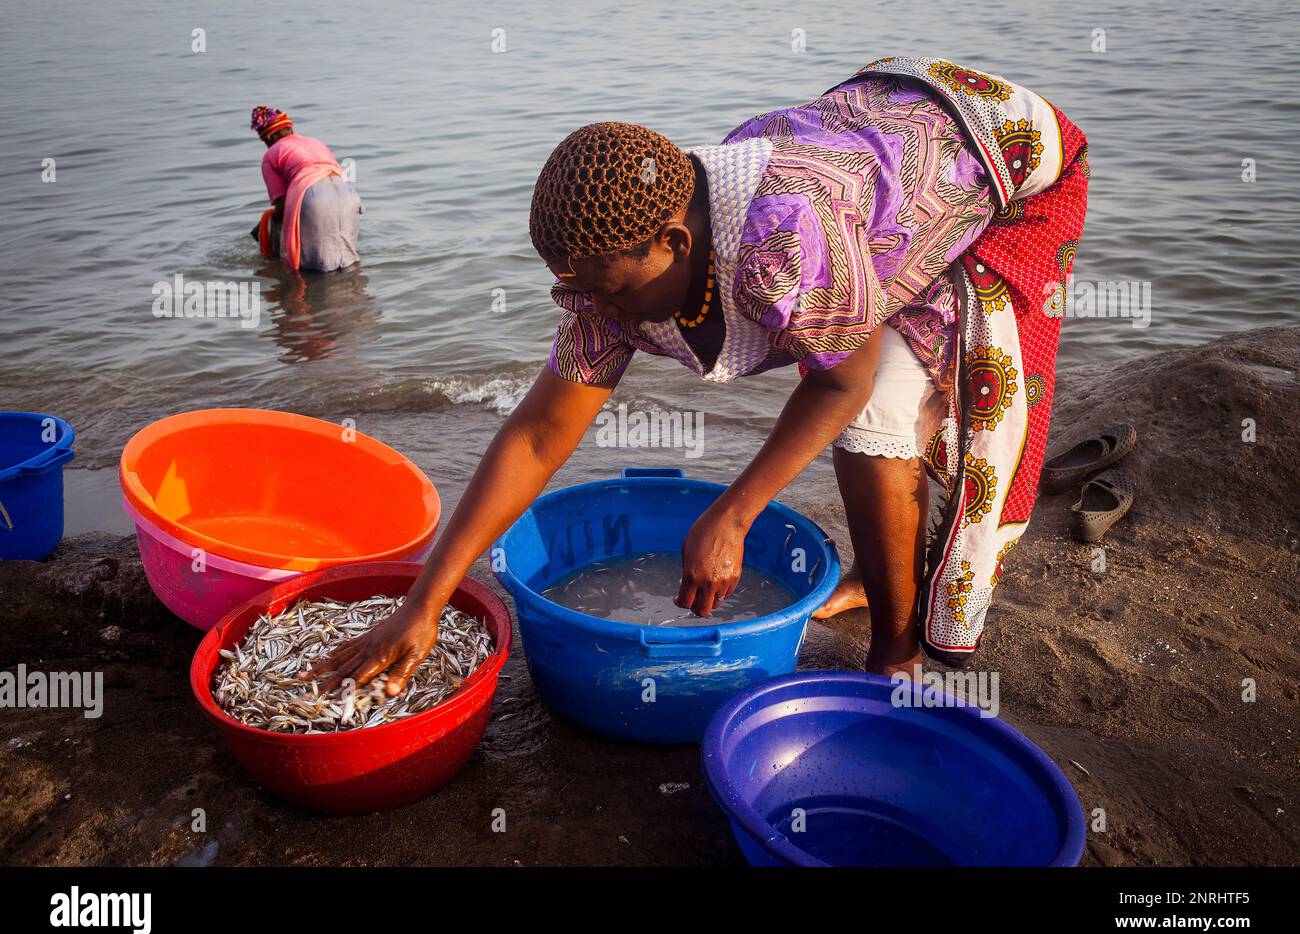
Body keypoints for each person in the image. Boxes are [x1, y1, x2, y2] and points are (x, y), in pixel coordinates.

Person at [318, 56, 1089, 692]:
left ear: (677, 244)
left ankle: (897, 654)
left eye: (607, 288)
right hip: (877, 138)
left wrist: (735, 512)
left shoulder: (783, 240)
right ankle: (876, 567)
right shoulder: (612, 274)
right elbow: (537, 434)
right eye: (575, 286)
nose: (592, 308)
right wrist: (427, 598)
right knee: (848, 329)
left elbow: (839, 380)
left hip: (1009, 160)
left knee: (877, 417)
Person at [249, 105, 363, 272]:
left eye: (265, 141)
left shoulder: (271, 154)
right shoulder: (315, 142)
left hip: (313, 195)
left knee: (313, 268)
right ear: (290, 128)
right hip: (348, 194)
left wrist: (265, 228)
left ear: (270, 137)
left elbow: (281, 206)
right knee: (348, 262)